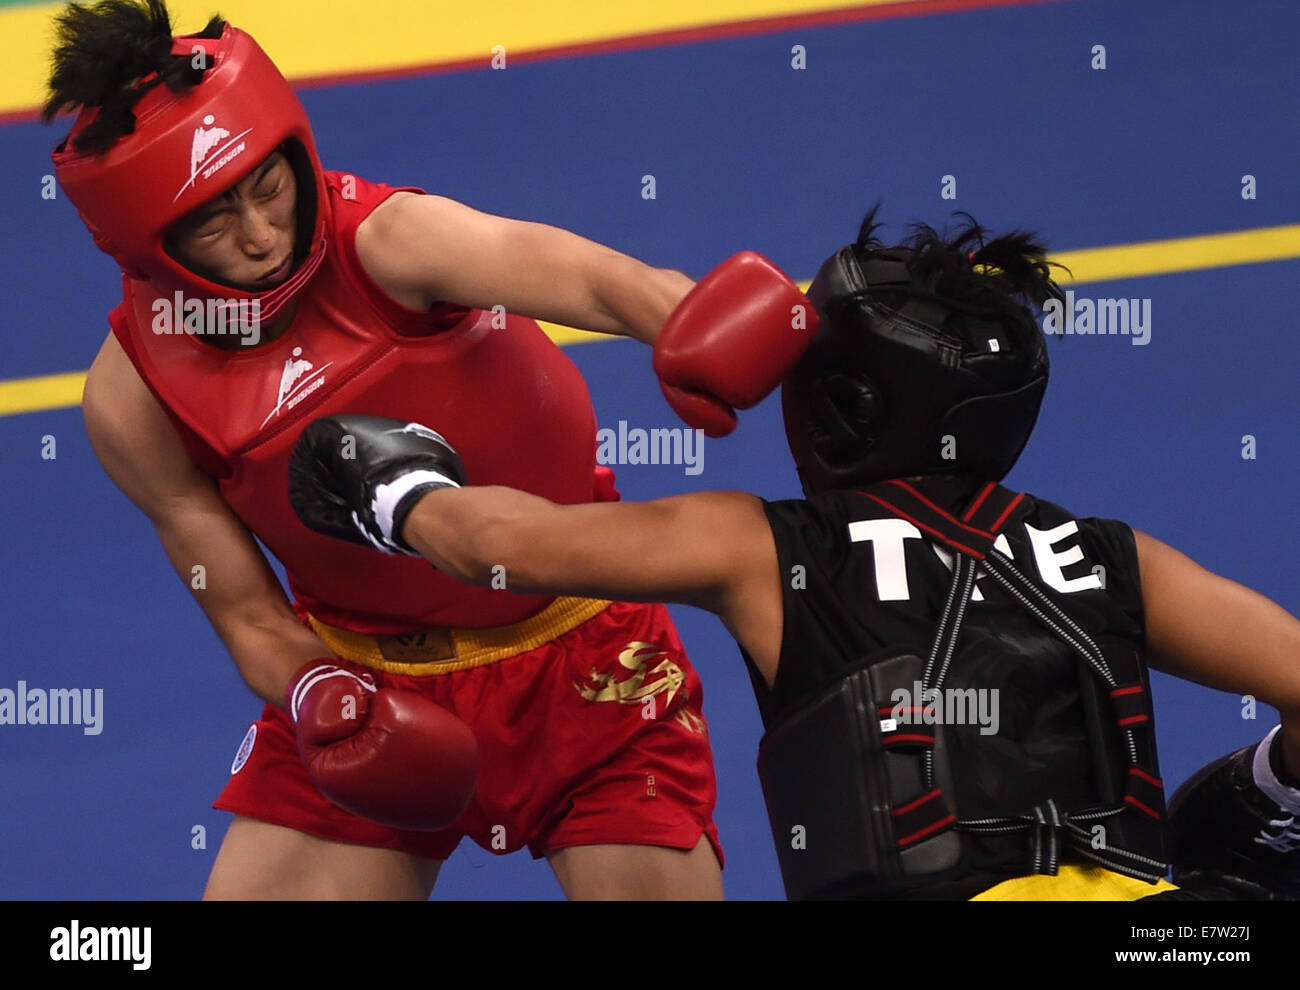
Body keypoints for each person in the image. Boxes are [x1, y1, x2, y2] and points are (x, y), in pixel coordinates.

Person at [289, 208, 1300, 900]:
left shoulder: (762, 545)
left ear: (842, 411)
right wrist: (1261, 794)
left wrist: (389, 483)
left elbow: (494, 545)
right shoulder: (1118, 558)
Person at [46, 0, 812, 899]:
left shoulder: (390, 241)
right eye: (213, 223)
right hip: (371, 675)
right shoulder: (133, 400)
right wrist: (321, 700)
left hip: (586, 652)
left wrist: (688, 324)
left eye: (268, 188)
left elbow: (598, 281)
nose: (261, 236)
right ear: (144, 246)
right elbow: (246, 614)